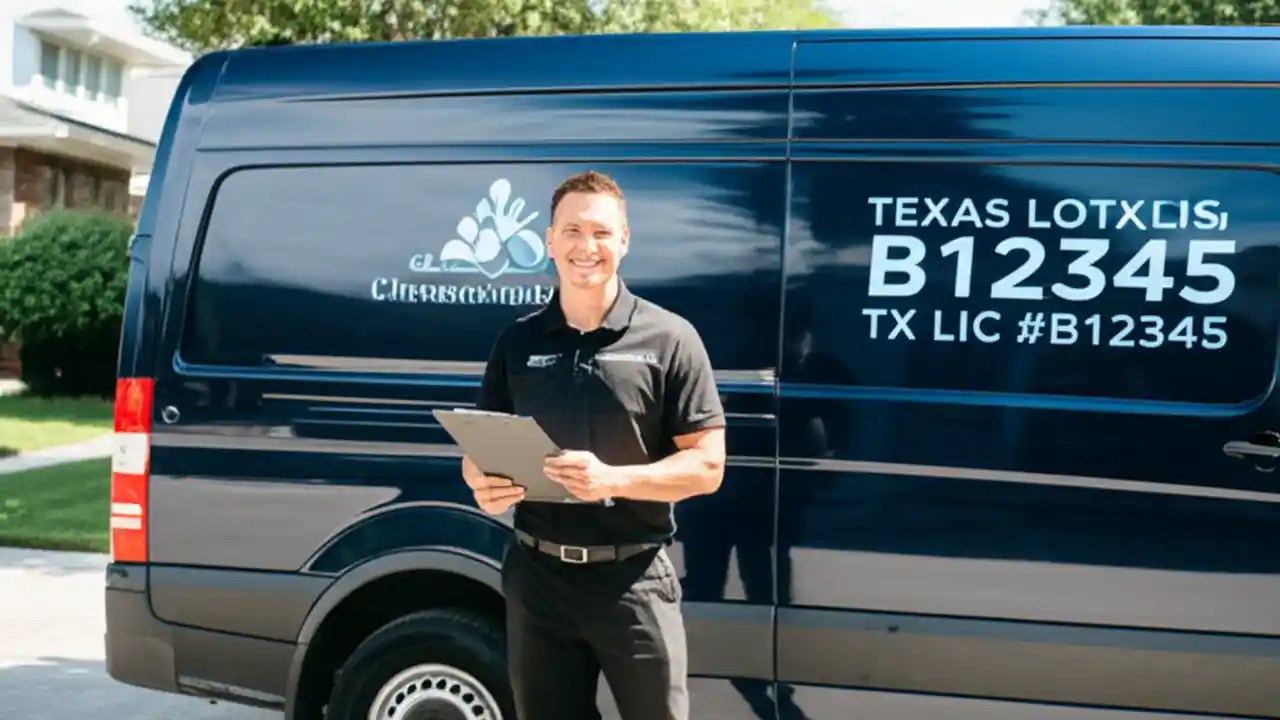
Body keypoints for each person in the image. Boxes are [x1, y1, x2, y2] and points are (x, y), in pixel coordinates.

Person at [460, 170, 727, 720]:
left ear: (624, 241)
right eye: (573, 230)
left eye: (602, 233)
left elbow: (708, 466)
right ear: (549, 241)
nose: (588, 246)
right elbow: (478, 450)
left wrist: (613, 479)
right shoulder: (518, 341)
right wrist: (481, 484)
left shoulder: (669, 338)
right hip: (538, 579)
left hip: (633, 579)